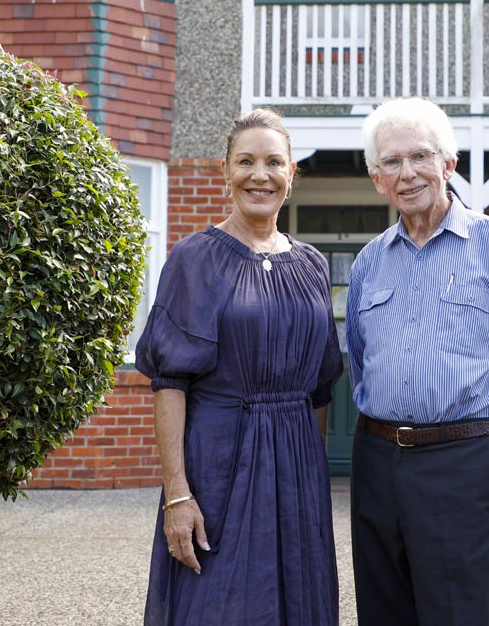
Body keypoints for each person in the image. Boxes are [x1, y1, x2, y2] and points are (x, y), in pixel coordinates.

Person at [345, 97, 489, 626]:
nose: (408, 172)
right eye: (392, 161)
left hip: (467, 465)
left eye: (420, 156)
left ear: (448, 164)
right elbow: (362, 367)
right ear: (376, 179)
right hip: (377, 466)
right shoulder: (368, 263)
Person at [135, 108, 343, 625]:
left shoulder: (313, 265)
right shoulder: (194, 259)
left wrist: (311, 474)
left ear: (291, 173)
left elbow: (320, 387)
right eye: (245, 161)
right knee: (219, 606)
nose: (260, 175)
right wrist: (177, 494)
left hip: (296, 468)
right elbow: (169, 382)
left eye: (274, 162)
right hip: (219, 466)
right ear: (225, 171)